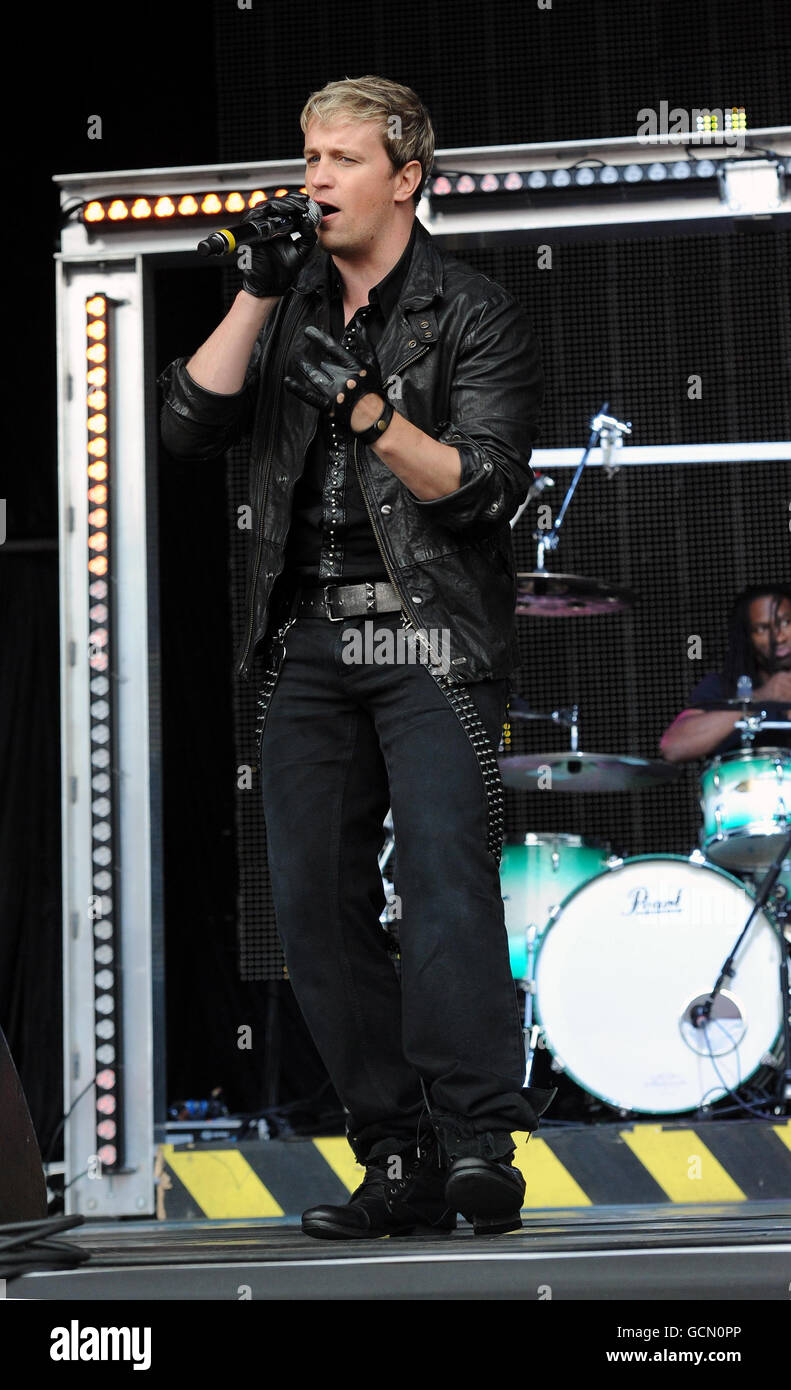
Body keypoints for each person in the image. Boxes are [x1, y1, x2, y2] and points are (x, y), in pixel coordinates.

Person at [159, 75, 554, 1239]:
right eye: (307, 157)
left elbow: (483, 494)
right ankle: (395, 1157)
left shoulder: (470, 310)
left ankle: (478, 1143)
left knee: (440, 883)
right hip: (309, 636)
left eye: (339, 158)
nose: (315, 177)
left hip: (427, 628)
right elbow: (187, 424)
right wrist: (254, 292)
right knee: (314, 909)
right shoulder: (286, 307)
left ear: (405, 177)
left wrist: (376, 416)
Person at [660, 583, 791, 762]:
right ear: (747, 638)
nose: (779, 637)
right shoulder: (721, 686)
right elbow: (673, 748)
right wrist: (757, 699)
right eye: (762, 628)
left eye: (786, 622)